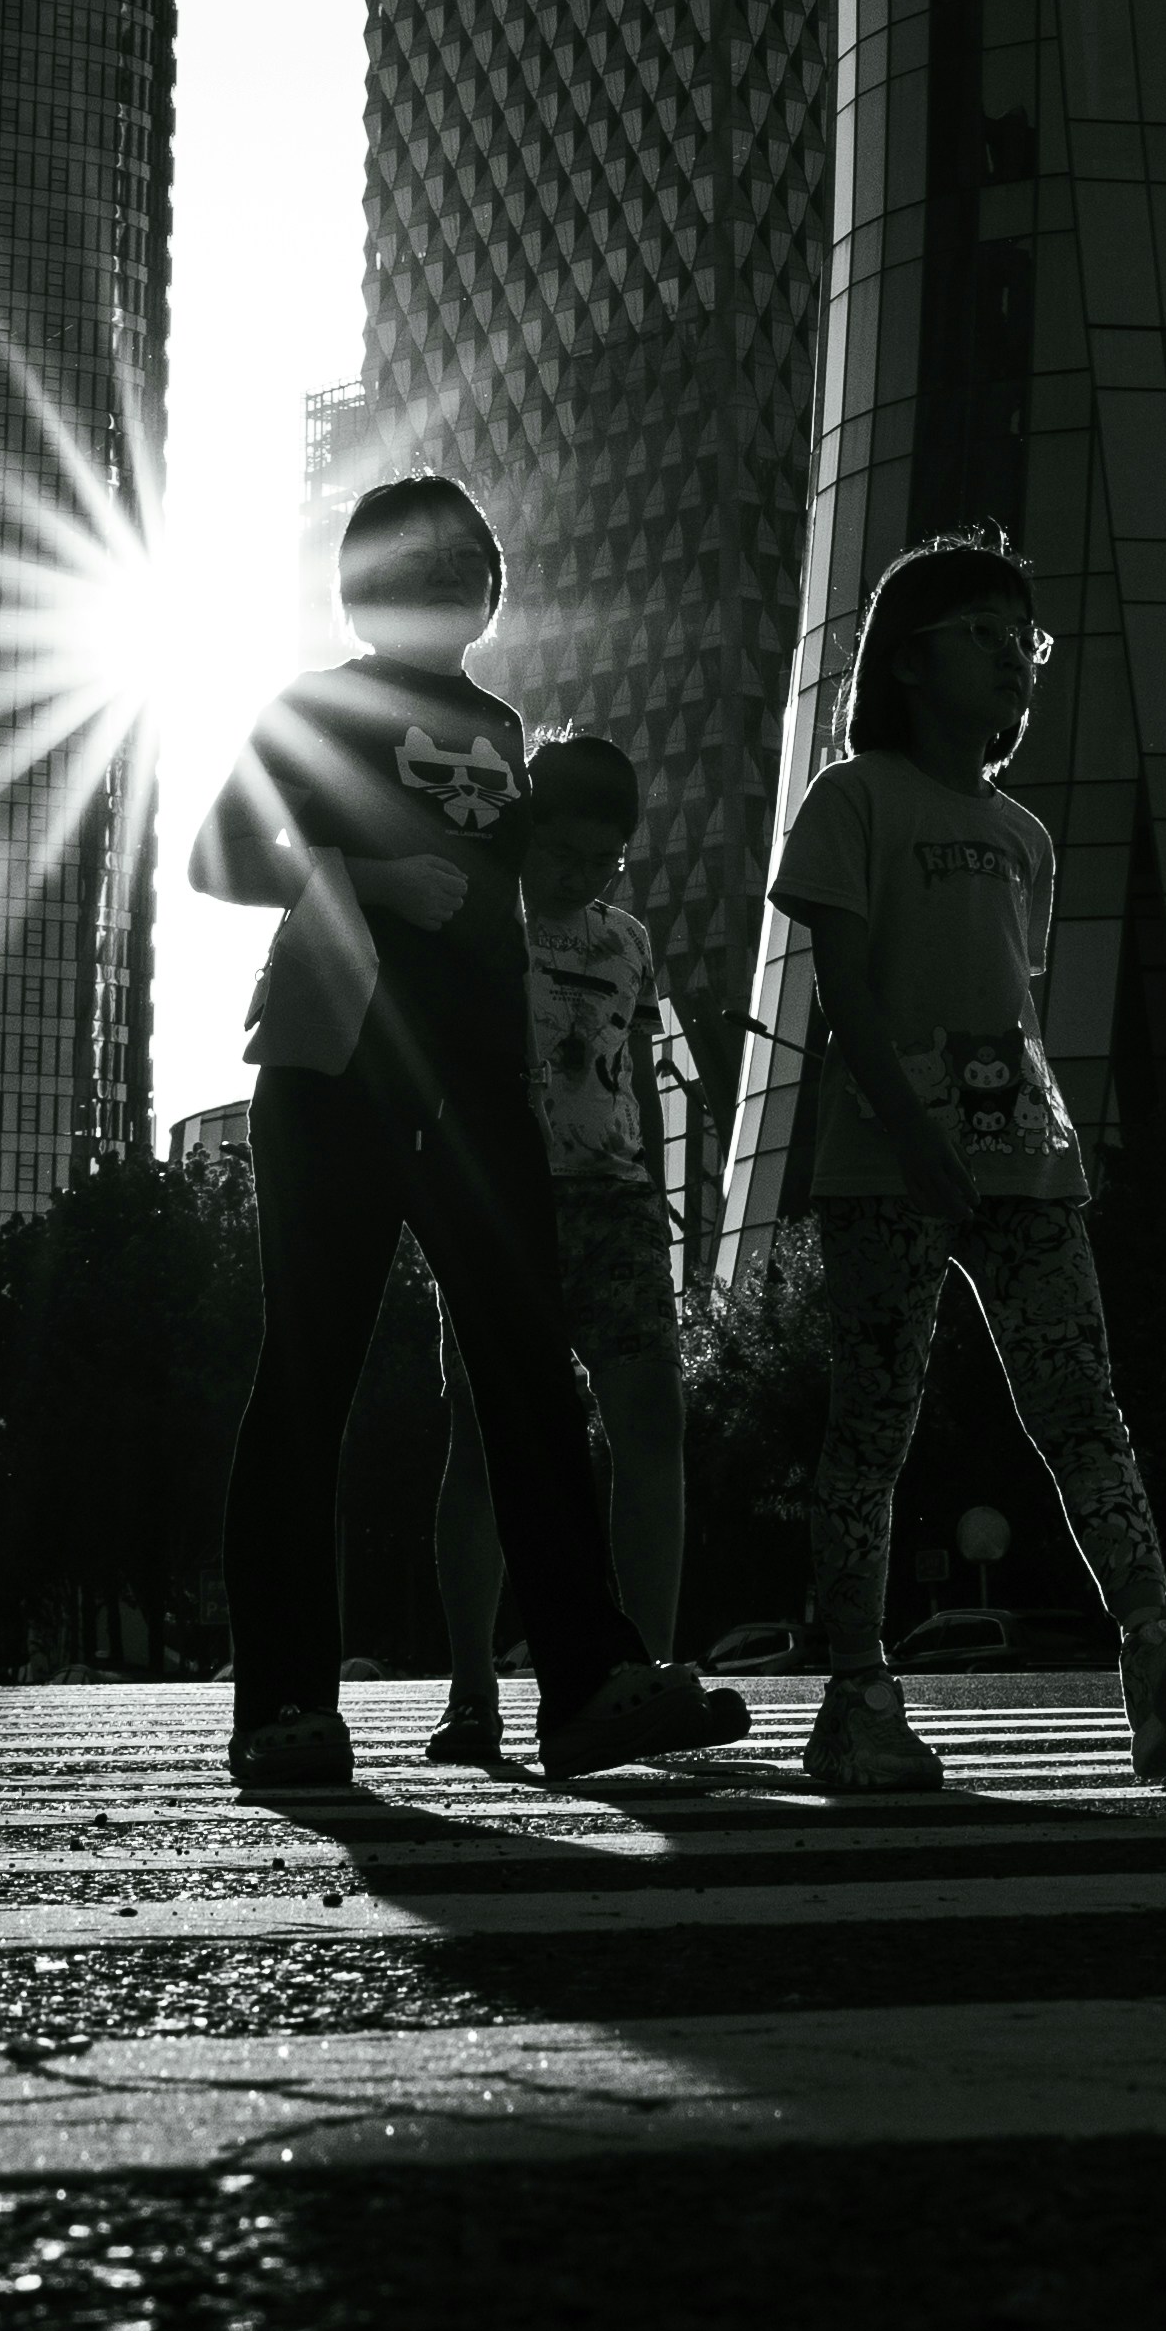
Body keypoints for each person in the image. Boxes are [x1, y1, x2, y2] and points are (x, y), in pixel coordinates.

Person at [192, 470, 746, 1793]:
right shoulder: (319, 702)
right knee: (309, 1377)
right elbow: (220, 853)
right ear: (356, 579)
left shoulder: (502, 728)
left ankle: (589, 1682)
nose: (443, 573)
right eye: (410, 555)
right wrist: (373, 873)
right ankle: (283, 1703)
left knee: (528, 1380)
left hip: (484, 1089)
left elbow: (522, 887)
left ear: (495, 584)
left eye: (465, 557)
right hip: (339, 1067)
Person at [771, 521, 1166, 1799]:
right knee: (872, 1422)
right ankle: (858, 1687)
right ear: (907, 661)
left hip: (1026, 1158)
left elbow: (1006, 1003)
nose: (1011, 660)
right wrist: (911, 1136)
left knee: (1081, 1404)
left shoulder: (1027, 835)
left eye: (1020, 639)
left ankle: (1151, 1649)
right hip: (888, 1160)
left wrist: (1016, 1142)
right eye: (980, 635)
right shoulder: (852, 799)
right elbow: (847, 996)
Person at [425, 730, 725, 1766]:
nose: (575, 876)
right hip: (502, 1208)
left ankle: (647, 1667)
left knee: (652, 1430)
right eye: (559, 851)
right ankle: (471, 1691)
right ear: (523, 832)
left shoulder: (626, 942)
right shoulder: (473, 916)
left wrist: (655, 1190)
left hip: (616, 1202)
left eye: (601, 859)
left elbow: (631, 1068)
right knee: (483, 1447)